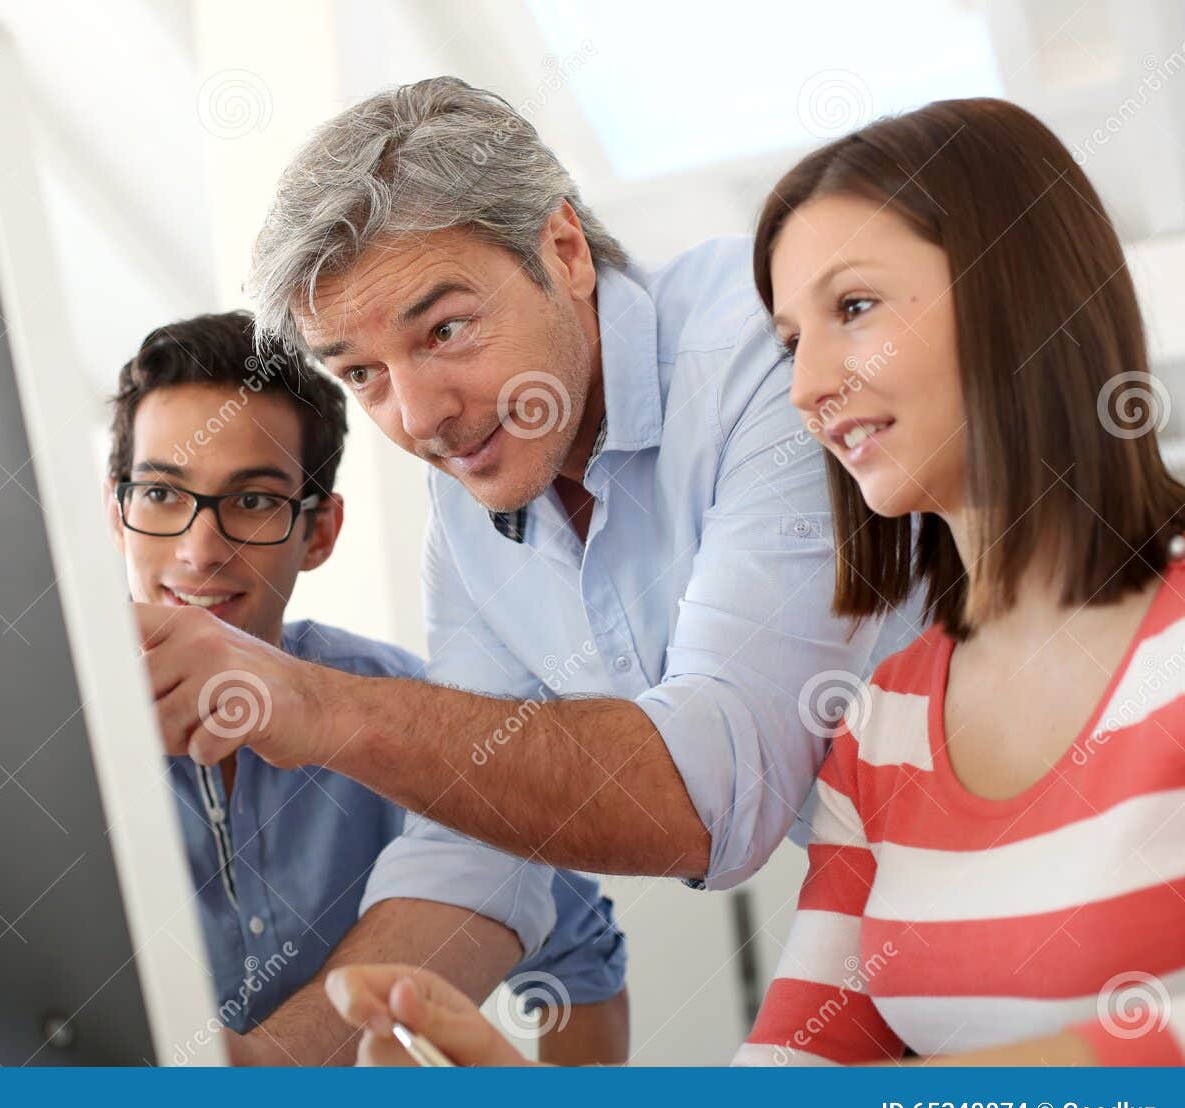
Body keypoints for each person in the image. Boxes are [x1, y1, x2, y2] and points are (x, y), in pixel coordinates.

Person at [325, 97, 1185, 1067]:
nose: (805, 386)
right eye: (787, 342)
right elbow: (782, 1090)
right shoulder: (882, 726)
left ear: (1017, 291)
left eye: (853, 309)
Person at [131, 76, 917, 1030]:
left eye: (447, 329)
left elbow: (713, 797)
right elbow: (474, 852)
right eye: (364, 374)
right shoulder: (469, 509)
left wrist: (305, 700)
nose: (419, 417)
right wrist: (261, 1078)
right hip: (882, 909)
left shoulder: (758, 356)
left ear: (564, 249)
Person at [107, 310, 628, 1065]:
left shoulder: (414, 725)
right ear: (115, 515)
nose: (199, 551)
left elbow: (582, 954)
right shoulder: (31, 749)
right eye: (160, 494)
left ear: (318, 533)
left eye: (252, 501)